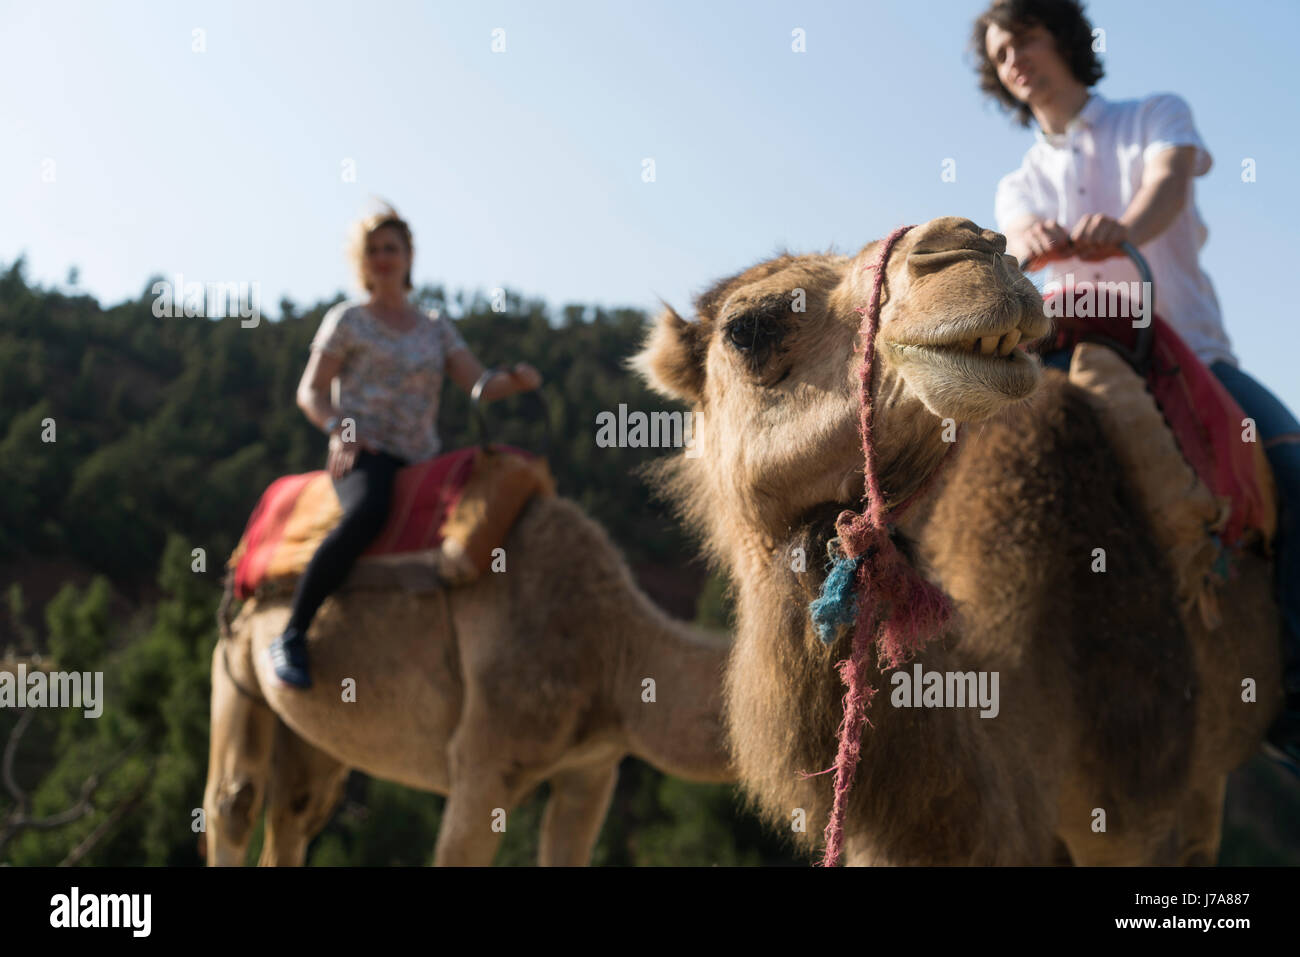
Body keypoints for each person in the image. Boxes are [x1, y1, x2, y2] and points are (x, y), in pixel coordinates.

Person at [971, 0, 1300, 770]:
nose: (1013, 60)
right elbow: (1013, 241)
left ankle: (1291, 701)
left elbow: (1170, 184)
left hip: (1188, 353)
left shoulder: (1156, 113)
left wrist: (1124, 227)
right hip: (1061, 355)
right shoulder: (1017, 183)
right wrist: (1029, 243)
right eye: (998, 54)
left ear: (1063, 36)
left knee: (1291, 470)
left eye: (1023, 38)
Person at [268, 203, 542, 689]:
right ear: (362, 260)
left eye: (391, 248)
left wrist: (516, 381)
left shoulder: (434, 326)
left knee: (486, 514)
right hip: (364, 452)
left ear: (409, 255)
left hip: (421, 456)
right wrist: (341, 428)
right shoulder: (348, 319)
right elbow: (309, 390)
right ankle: (292, 634)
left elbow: (477, 382)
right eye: (373, 250)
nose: (383, 257)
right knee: (369, 512)